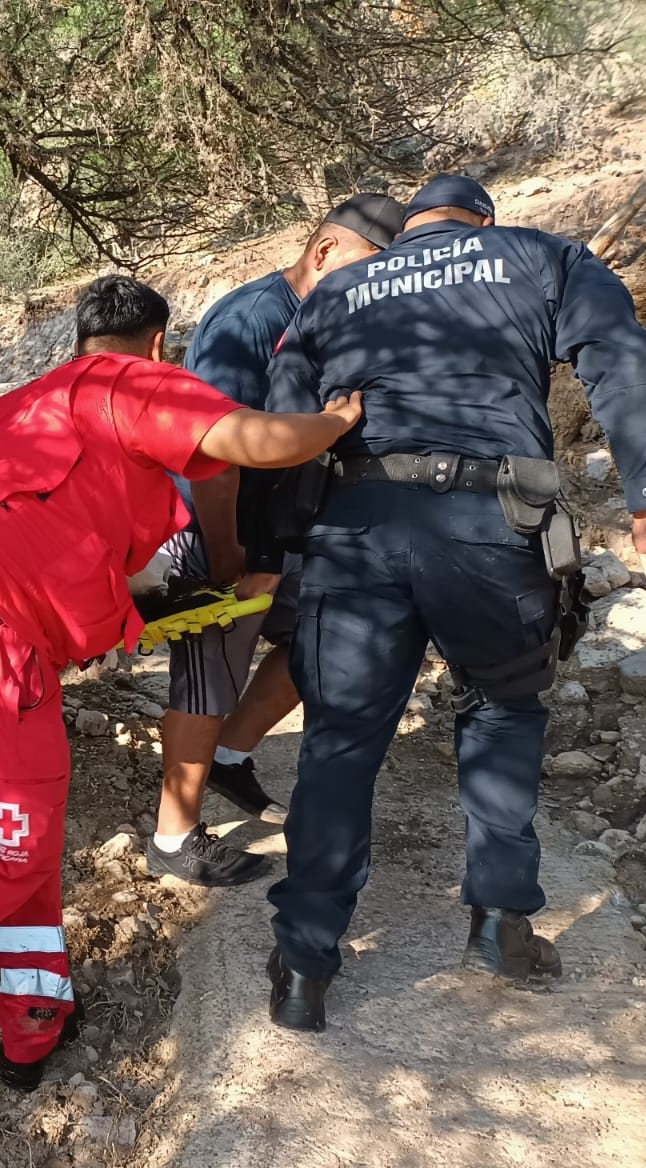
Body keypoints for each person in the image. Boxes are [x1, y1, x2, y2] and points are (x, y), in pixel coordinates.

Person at [0, 275, 363, 1093]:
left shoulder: (22, 403)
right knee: (12, 845)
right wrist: (336, 420)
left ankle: (33, 1018)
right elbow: (255, 441)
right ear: (157, 343)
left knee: (25, 825)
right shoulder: (131, 381)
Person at [260, 174, 646, 1032]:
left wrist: (274, 546)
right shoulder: (542, 257)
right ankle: (502, 927)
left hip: (357, 529)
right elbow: (618, 355)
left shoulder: (337, 290)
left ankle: (305, 966)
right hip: (492, 522)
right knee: (504, 712)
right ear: (482, 220)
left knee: (341, 739)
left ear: (409, 231)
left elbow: (283, 417)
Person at [149, 194, 406, 886]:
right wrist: (232, 558)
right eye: (371, 266)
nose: (377, 285)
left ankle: (229, 757)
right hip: (217, 534)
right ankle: (173, 837)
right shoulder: (251, 320)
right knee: (207, 680)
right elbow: (212, 453)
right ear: (324, 252)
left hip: (286, 533)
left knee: (315, 644)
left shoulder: (333, 319)